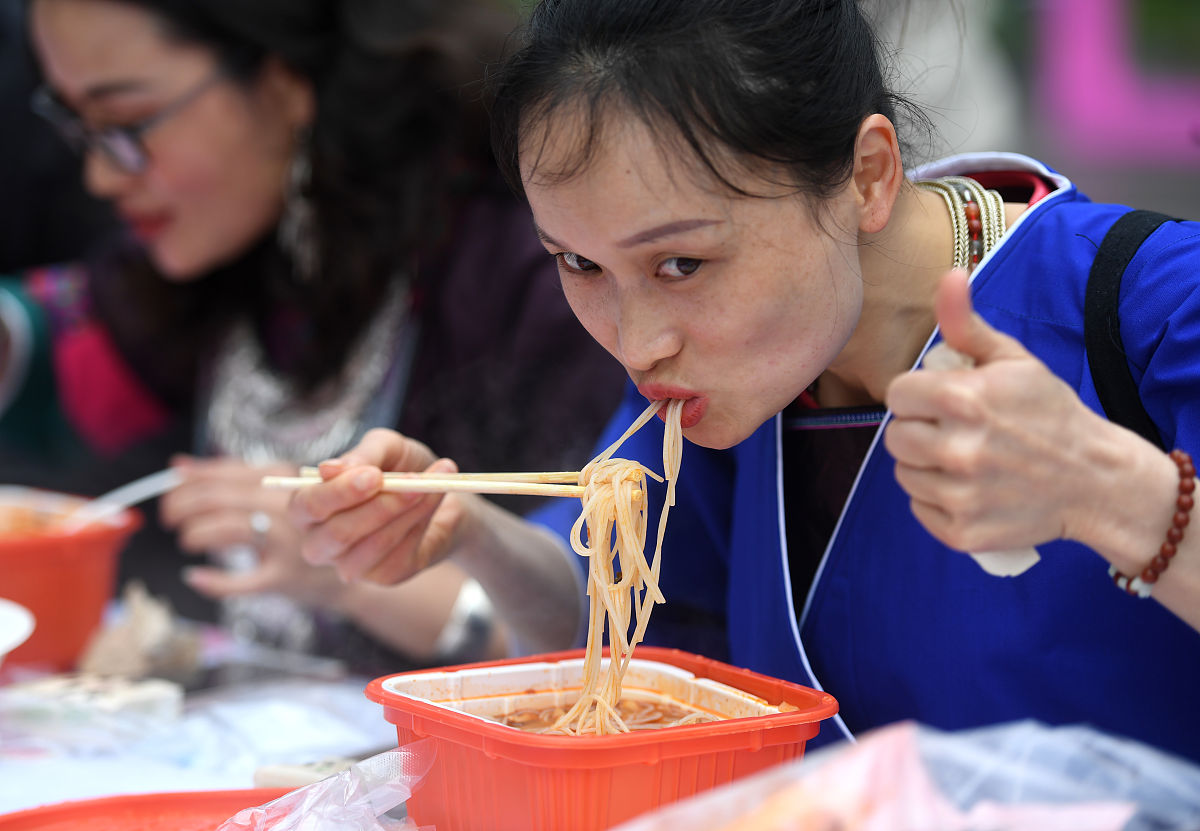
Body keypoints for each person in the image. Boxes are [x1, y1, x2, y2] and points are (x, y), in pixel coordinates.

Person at [285, 0, 1200, 762]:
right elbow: (612, 615)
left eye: (681, 263)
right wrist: (465, 531)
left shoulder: (1151, 306)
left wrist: (1118, 497)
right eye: (576, 263)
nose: (637, 342)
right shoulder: (734, 391)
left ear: (867, 177)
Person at [0, 0, 626, 675]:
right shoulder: (217, 247)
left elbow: (609, 626)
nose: (100, 175)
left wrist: (342, 569)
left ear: (283, 84)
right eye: (79, 129)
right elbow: (77, 341)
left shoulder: (522, 272)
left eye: (126, 124)